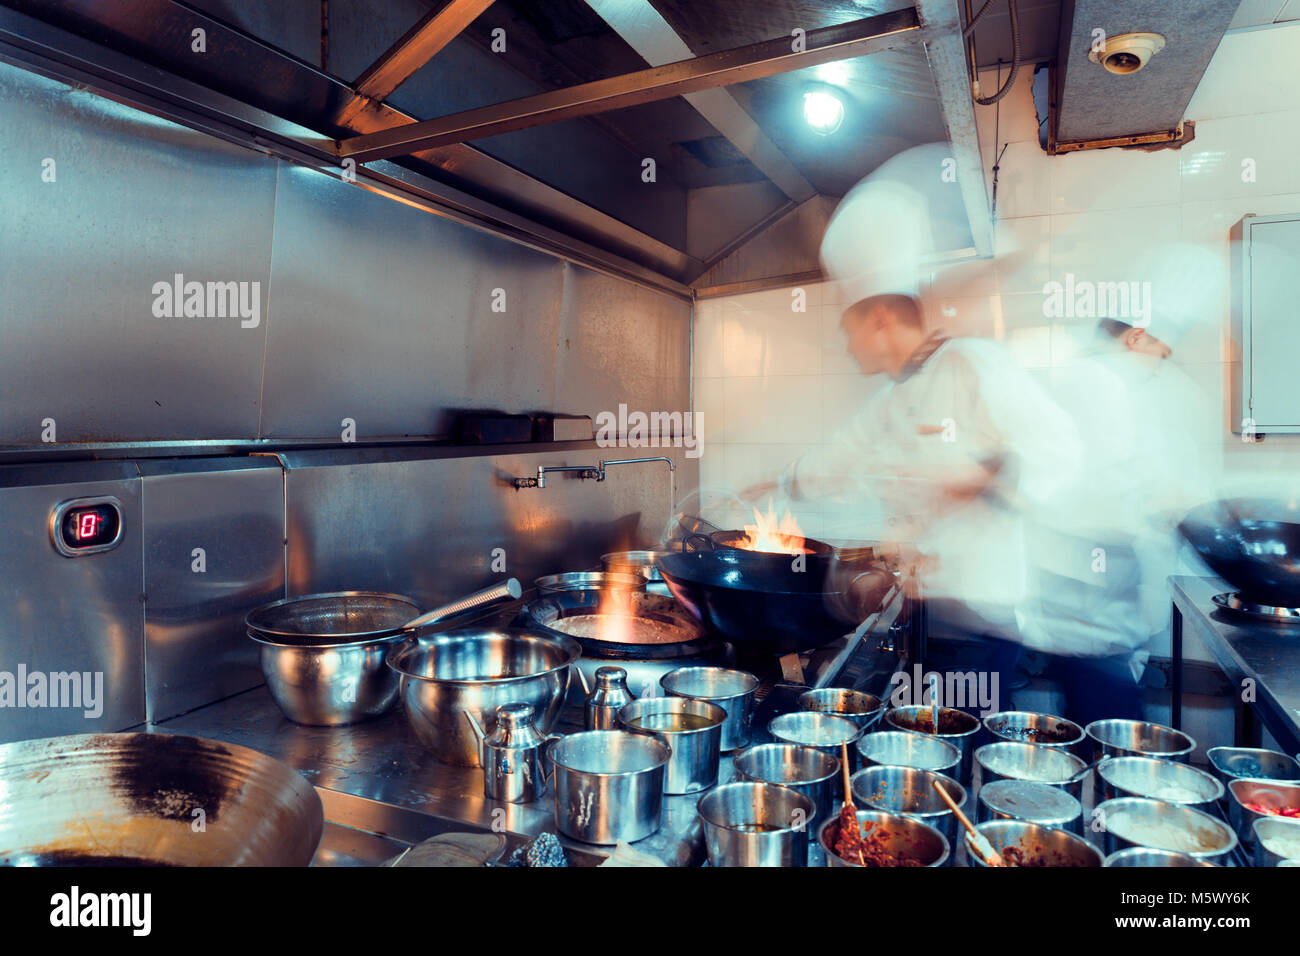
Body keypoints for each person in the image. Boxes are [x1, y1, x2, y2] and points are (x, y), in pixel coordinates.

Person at [745, 293, 1082, 719]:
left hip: (979, 615)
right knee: (932, 743)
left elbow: (1058, 448)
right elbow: (840, 456)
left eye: (851, 333)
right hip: (931, 609)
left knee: (956, 739)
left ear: (881, 319)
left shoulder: (969, 361)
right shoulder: (896, 395)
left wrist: (978, 477)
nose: (849, 348)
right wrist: (775, 482)